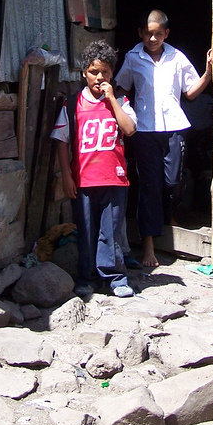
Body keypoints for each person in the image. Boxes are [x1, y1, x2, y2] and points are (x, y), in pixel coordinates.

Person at [115, 9, 212, 268]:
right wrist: (123, 113)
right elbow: (123, 88)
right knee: (149, 186)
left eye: (158, 34)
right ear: (140, 33)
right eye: (148, 33)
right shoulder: (133, 57)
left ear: (166, 34)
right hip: (145, 131)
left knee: (172, 182)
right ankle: (149, 246)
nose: (153, 38)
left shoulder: (177, 58)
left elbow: (190, 92)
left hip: (174, 128)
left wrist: (208, 74)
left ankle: (169, 217)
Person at [51, 40, 138, 298]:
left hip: (114, 178)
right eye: (93, 72)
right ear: (83, 73)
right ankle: (87, 277)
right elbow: (62, 142)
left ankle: (115, 277)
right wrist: (67, 176)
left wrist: (112, 99)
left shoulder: (120, 100)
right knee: (87, 230)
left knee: (110, 232)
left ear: (112, 73)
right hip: (84, 180)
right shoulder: (73, 103)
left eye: (105, 72)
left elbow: (130, 129)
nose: (99, 77)